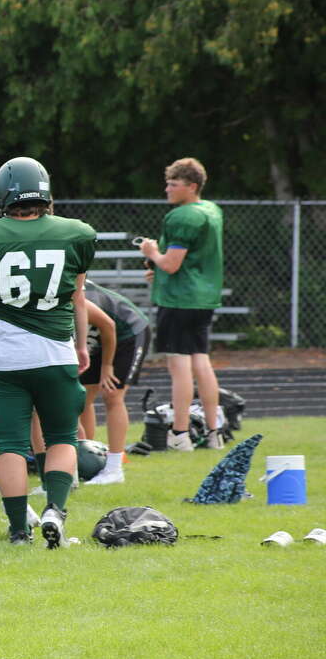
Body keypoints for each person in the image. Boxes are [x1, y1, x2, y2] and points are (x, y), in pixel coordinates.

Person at [0, 157, 96, 548]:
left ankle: (18, 531)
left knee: (13, 444)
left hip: (5, 355)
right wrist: (82, 345)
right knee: (62, 438)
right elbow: (78, 297)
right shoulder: (75, 233)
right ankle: (55, 511)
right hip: (56, 350)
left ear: (2, 195)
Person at [137, 157, 225, 451]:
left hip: (180, 299)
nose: (167, 189)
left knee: (179, 365)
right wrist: (159, 267)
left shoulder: (182, 216)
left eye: (174, 184)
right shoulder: (211, 209)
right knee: (201, 359)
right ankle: (214, 432)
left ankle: (180, 433)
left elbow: (172, 264)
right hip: (203, 295)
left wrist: (151, 252)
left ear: (192, 186)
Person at [78, 280, 152, 484]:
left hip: (127, 333)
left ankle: (114, 468)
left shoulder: (76, 297)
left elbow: (108, 326)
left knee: (112, 395)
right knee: (80, 397)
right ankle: (85, 456)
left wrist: (107, 366)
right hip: (95, 338)